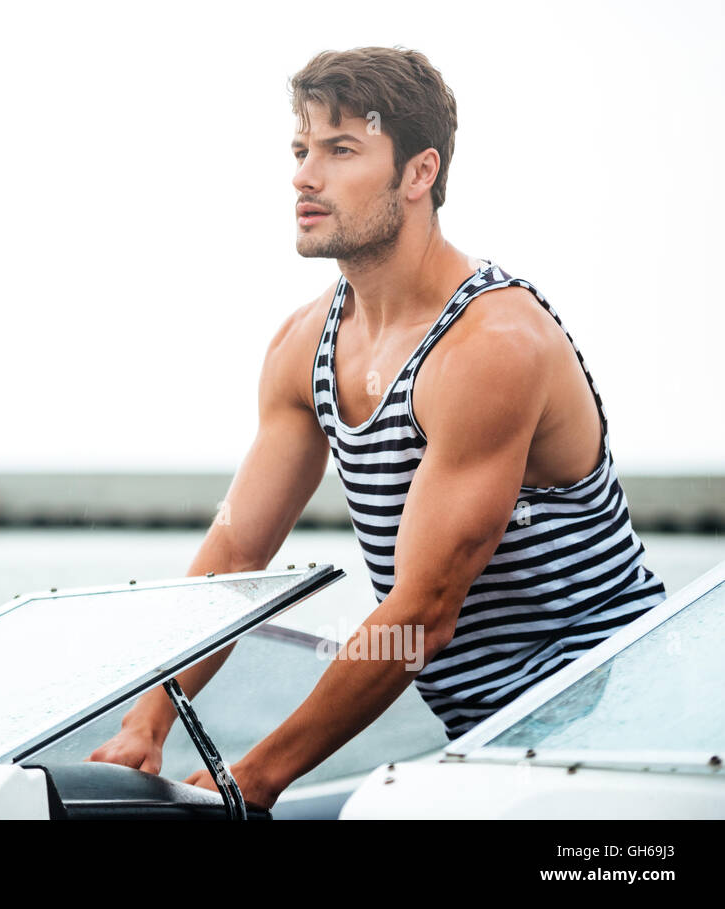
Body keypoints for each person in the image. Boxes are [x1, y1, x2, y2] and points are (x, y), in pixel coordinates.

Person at [84, 46, 667, 812]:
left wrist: (255, 778)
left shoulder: (491, 345)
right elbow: (236, 549)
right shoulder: (305, 345)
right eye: (300, 150)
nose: (303, 175)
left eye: (340, 150)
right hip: (490, 745)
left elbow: (422, 614)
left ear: (419, 174)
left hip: (633, 734)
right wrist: (148, 719)